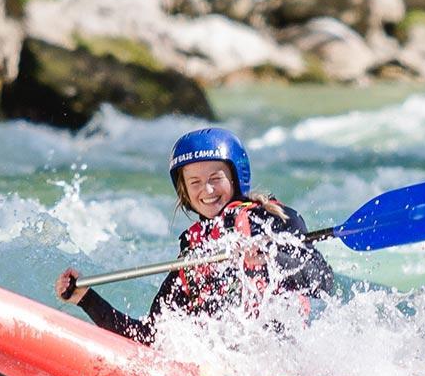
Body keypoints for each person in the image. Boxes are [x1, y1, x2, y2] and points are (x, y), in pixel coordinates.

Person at [55, 127, 334, 344]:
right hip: (222, 364)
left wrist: (272, 259)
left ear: (235, 179)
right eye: (195, 182)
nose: (208, 191)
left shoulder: (273, 220)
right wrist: (87, 299)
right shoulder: (194, 254)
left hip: (280, 356)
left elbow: (322, 279)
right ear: (185, 192)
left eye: (215, 179)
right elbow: (150, 337)